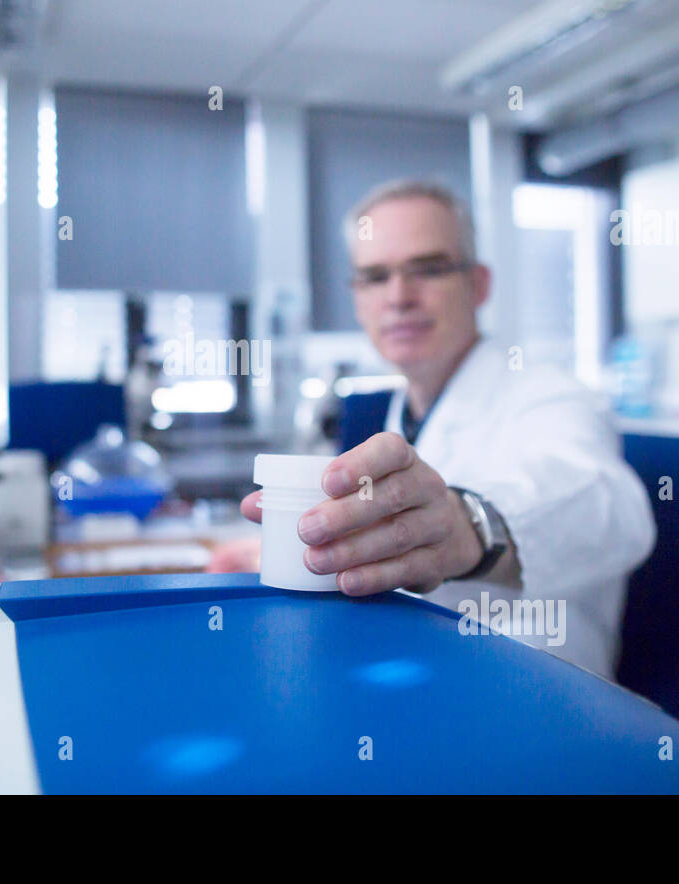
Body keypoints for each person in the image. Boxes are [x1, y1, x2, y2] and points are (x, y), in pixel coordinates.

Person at [209, 178, 656, 679]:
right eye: (376, 277)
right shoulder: (401, 411)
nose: (399, 297)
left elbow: (612, 509)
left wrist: (469, 528)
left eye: (428, 269)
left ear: (478, 284)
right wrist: (312, 551)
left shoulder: (549, 396)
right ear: (357, 298)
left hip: (533, 702)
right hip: (417, 680)